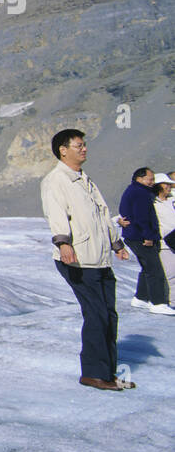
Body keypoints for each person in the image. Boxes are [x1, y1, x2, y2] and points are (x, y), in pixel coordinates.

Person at [40, 129, 135, 391]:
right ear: (63, 150)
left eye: (84, 145)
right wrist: (63, 243)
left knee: (109, 315)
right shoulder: (56, 181)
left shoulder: (85, 180)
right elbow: (56, 213)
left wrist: (117, 244)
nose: (84, 149)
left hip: (100, 258)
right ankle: (93, 374)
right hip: (77, 259)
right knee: (96, 315)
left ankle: (107, 373)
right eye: (79, 145)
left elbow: (103, 214)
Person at [118, 167, 175, 315]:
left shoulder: (136, 191)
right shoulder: (141, 193)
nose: (152, 182)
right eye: (150, 179)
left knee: (147, 267)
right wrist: (148, 236)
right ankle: (158, 303)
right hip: (141, 237)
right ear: (140, 179)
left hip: (135, 235)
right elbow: (142, 217)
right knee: (155, 269)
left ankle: (141, 298)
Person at [155, 173, 175, 301]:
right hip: (165, 245)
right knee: (170, 276)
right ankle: (171, 302)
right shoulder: (152, 202)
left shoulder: (172, 199)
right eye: (166, 184)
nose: (169, 186)